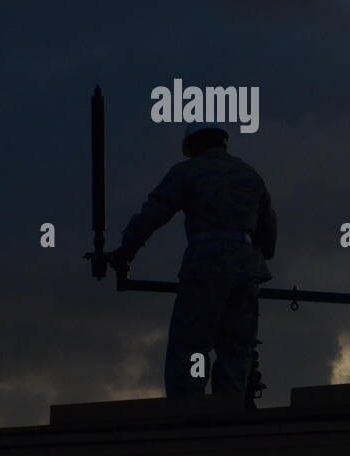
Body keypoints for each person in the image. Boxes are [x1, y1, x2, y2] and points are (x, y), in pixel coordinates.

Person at [106, 123, 277, 399]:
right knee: (236, 350)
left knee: (190, 347)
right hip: (246, 272)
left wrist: (125, 251)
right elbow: (269, 241)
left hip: (205, 267)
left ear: (193, 146)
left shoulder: (188, 172)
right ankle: (228, 415)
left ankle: (188, 417)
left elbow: (154, 213)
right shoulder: (250, 176)